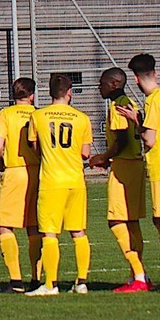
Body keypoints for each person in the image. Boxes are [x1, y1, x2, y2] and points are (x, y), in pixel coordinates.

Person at [119, 54, 160, 291]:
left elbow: (150, 138)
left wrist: (136, 121)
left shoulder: (154, 100)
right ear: (155, 73)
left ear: (136, 80)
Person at [27, 73, 93, 296]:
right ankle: (81, 282)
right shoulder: (82, 118)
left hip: (51, 181)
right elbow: (85, 153)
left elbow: (36, 148)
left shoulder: (38, 116)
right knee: (79, 233)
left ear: (49, 93)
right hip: (75, 180)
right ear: (70, 92)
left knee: (49, 234)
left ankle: (50, 284)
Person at [89, 67, 148, 292]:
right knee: (132, 222)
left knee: (116, 222)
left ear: (114, 84)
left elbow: (122, 140)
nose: (99, 87)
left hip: (124, 167)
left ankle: (140, 275)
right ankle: (138, 276)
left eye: (102, 83)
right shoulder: (130, 101)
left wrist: (101, 157)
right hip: (135, 163)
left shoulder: (118, 105)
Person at [0, 77, 42, 292]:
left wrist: (1, 160)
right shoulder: (38, 113)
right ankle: (37, 278)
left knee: (4, 225)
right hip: (37, 172)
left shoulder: (6, 114)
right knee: (34, 227)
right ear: (31, 96)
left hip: (14, 172)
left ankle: (15, 280)